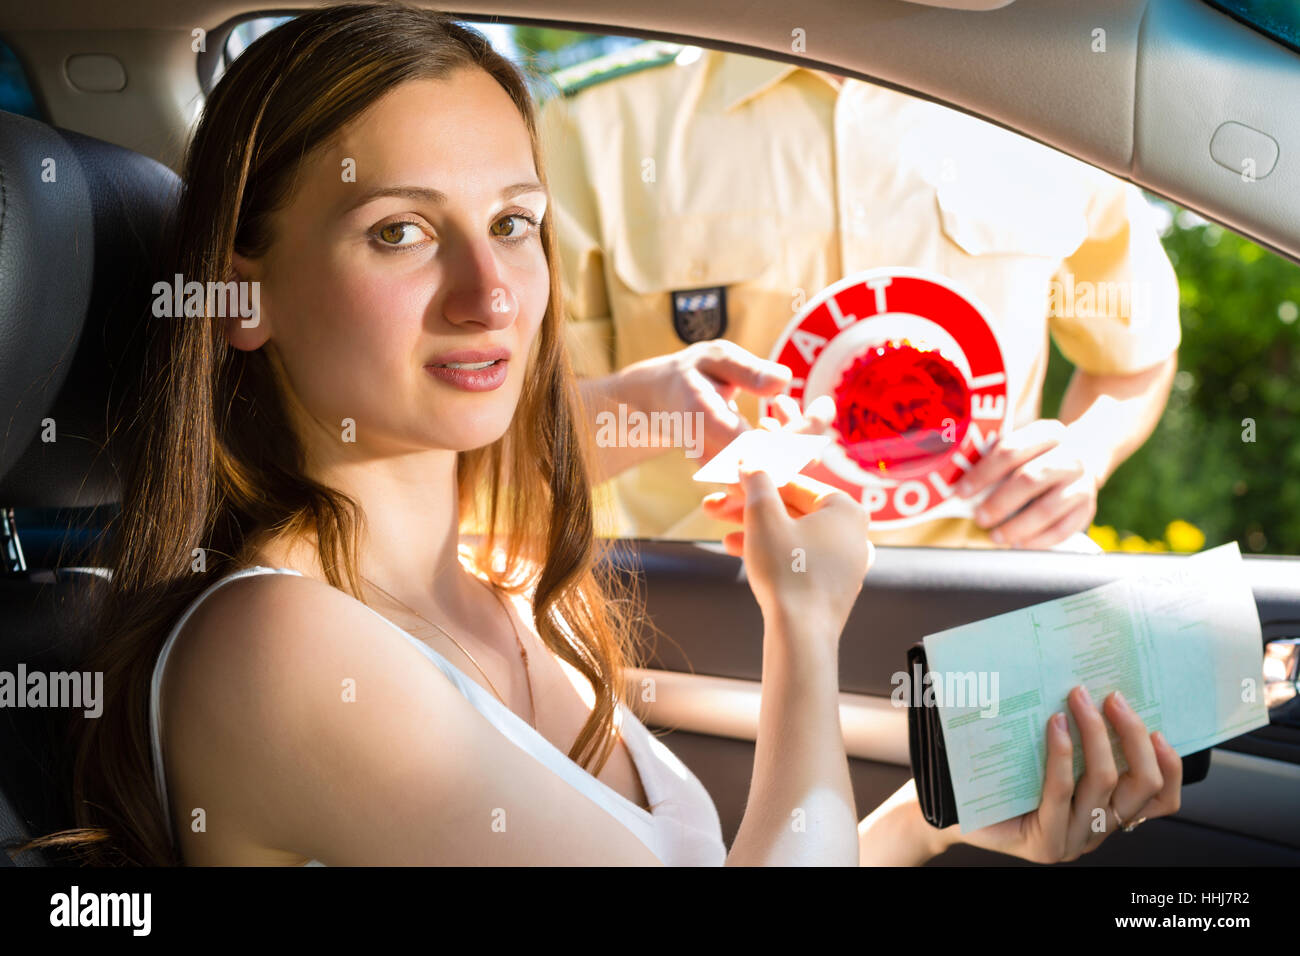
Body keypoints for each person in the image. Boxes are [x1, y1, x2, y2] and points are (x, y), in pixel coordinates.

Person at [17, 4, 1180, 867]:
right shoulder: (280, 649)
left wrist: (928, 820)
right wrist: (804, 622)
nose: (491, 293)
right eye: (398, 232)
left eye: (513, 224)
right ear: (244, 295)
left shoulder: (498, 587)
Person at [538, 43, 1181, 551]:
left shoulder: (1047, 116)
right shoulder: (594, 128)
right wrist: (649, 409)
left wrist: (1085, 452)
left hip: (984, 612)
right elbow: (502, 444)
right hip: (710, 628)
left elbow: (1134, 359)